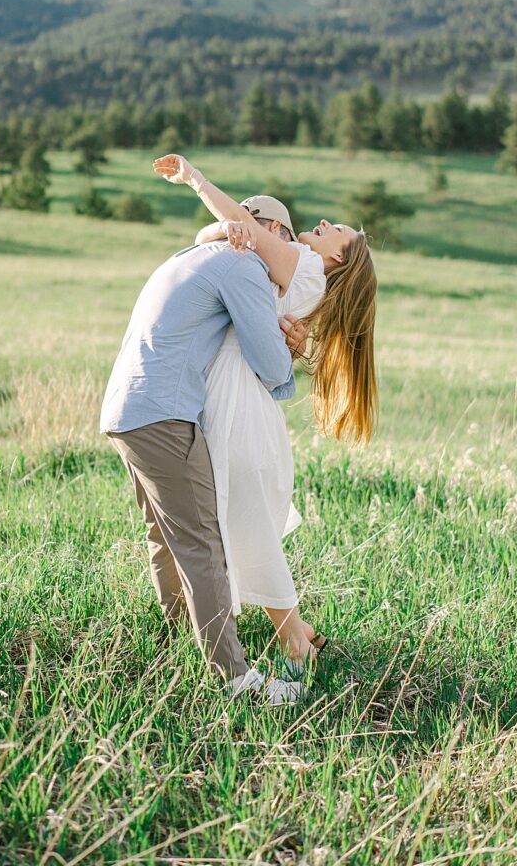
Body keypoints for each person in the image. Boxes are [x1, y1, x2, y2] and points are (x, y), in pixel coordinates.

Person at [154, 153, 378, 675]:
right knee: (242, 526)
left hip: (238, 412)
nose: (321, 225)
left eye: (333, 231)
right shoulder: (300, 282)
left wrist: (197, 180)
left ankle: (293, 647)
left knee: (244, 528)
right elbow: (238, 240)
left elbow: (243, 228)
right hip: (243, 407)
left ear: (337, 259)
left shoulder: (302, 268)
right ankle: (297, 633)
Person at [100, 222, 306, 704]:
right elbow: (273, 368)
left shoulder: (187, 258)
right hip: (165, 414)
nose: (288, 254)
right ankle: (236, 681)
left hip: (123, 410)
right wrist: (288, 350)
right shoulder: (244, 264)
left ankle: (175, 647)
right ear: (270, 230)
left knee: (167, 537)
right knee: (201, 544)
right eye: (288, 237)